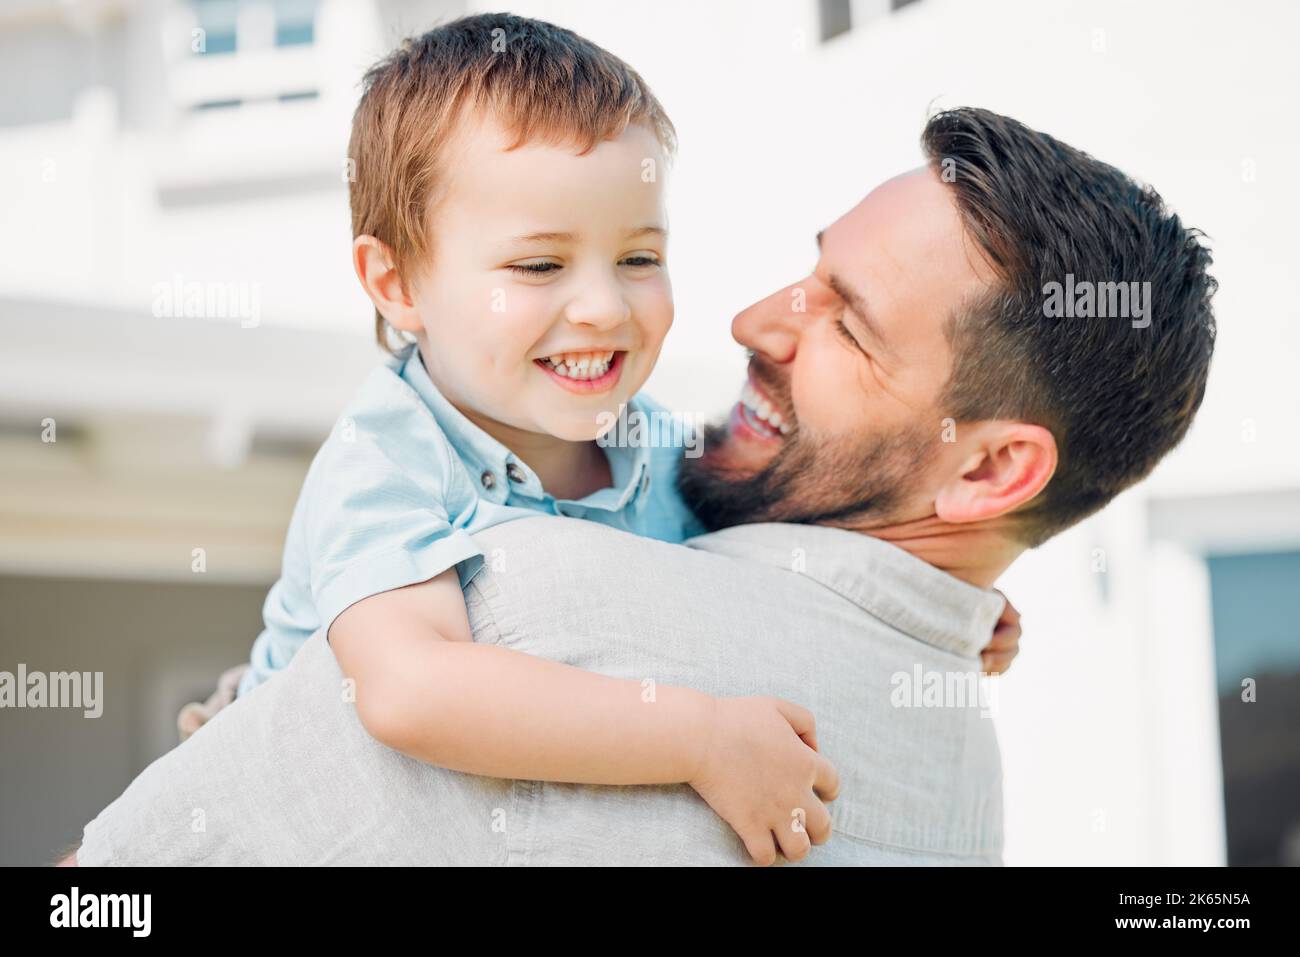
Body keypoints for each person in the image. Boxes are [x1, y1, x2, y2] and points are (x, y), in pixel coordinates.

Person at [65, 105, 1215, 867]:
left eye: (845, 325)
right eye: (534, 265)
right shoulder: (969, 793)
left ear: (990, 469)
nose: (754, 321)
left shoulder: (530, 607)